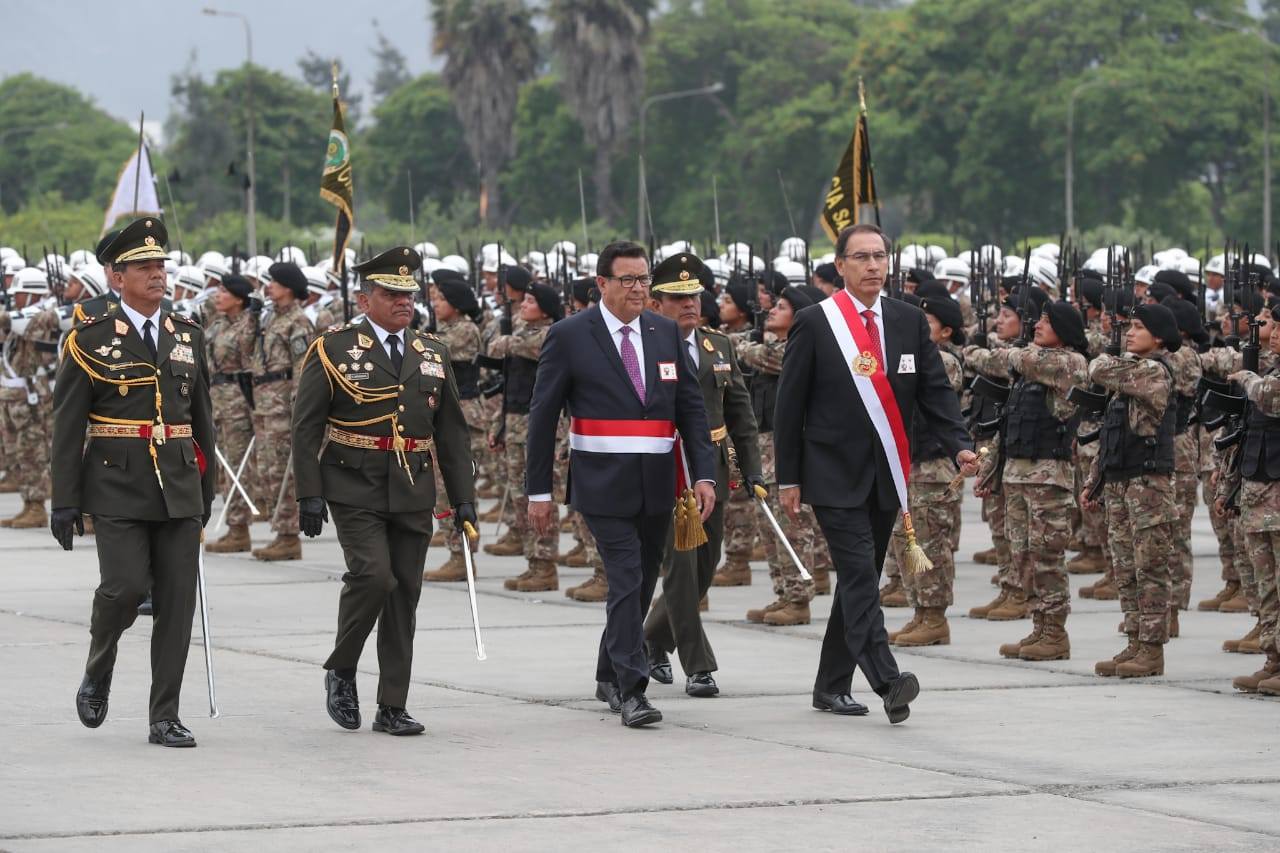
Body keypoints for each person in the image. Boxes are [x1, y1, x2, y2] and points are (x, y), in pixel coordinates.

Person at [774, 223, 976, 723]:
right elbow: (788, 405)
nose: (872, 266)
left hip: (887, 469)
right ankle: (888, 679)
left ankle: (830, 686)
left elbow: (934, 391)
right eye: (861, 257)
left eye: (880, 256)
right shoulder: (816, 321)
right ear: (839, 265)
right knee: (861, 573)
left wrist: (960, 446)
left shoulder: (908, 321)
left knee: (855, 582)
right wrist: (789, 478)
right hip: (831, 472)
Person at [526, 240, 716, 728]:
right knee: (627, 578)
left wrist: (704, 475)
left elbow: (691, 410)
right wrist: (539, 492)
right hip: (602, 485)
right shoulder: (571, 335)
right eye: (627, 279)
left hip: (659, 485)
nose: (637, 288)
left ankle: (608, 672)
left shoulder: (665, 332)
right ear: (602, 284)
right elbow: (542, 416)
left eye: (643, 279)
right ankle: (633, 690)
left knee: (641, 583)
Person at [292, 246, 476, 735]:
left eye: (408, 293)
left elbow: (452, 433)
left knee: (404, 596)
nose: (403, 302)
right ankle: (343, 667)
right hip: (353, 481)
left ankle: (392, 703)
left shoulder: (431, 352)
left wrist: (464, 499)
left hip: (414, 484)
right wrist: (307, 493)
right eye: (390, 293)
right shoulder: (332, 347)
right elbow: (306, 426)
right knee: (374, 577)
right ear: (364, 297)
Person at [50, 217, 216, 747]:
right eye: (143, 268)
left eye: (161, 267)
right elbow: (67, 427)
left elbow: (203, 423)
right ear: (116, 277)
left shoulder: (187, 336)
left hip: (179, 487)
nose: (157, 276)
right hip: (116, 485)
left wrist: (205, 495)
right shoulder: (89, 340)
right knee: (122, 591)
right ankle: (99, 666)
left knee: (176, 604)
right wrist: (64, 501)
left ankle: (163, 714)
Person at [641, 252, 763, 697]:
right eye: (677, 298)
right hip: (668, 463)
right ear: (655, 304)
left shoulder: (719, 345)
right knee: (679, 567)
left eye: (694, 296)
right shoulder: (646, 345)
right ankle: (698, 665)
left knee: (707, 564)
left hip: (710, 464)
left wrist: (753, 470)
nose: (689, 304)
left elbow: (741, 415)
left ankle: (651, 638)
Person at [1084, 303, 1181, 678]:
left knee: (1150, 567)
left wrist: (1110, 355)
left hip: (1148, 486)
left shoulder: (1153, 371)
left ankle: (1152, 650)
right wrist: (1096, 478)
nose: (1130, 333)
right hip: (1123, 481)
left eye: (1139, 327)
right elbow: (1113, 433)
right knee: (1126, 567)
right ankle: (1136, 641)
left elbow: (1097, 367)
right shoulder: (1129, 376)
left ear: (1158, 337)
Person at [250, 262, 315, 561]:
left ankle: (289, 535)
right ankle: (281, 531)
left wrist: (298, 408)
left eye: (274, 282)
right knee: (267, 470)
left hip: (281, 406)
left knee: (282, 471)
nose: (268, 287)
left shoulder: (298, 322)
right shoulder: (270, 318)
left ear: (288, 287)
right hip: (265, 404)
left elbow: (302, 368)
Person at [203, 274, 260, 553]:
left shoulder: (248, 325)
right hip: (218, 399)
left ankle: (240, 528)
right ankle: (233, 525)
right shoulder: (218, 323)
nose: (217, 294)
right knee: (224, 465)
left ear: (239, 298)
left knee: (237, 464)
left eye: (224, 291)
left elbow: (250, 359)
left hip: (238, 400)